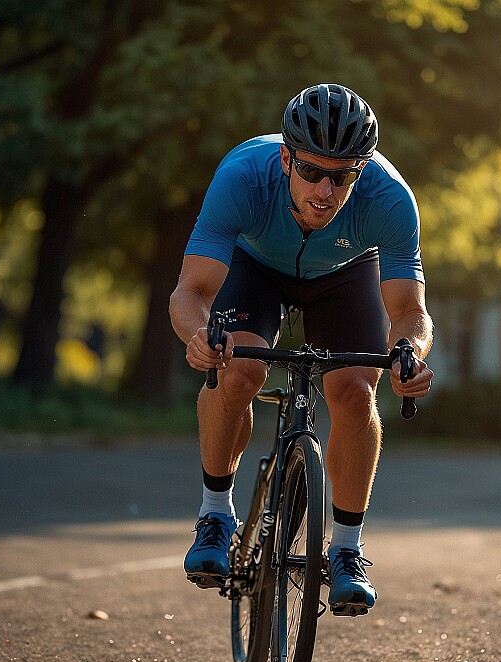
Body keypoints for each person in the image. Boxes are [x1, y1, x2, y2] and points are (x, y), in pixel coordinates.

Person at [169, 84, 433, 615]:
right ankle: (216, 512)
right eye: (312, 171)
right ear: (286, 158)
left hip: (344, 273)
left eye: (344, 175)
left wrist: (411, 352)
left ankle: (346, 550)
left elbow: (410, 311)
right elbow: (190, 293)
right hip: (254, 266)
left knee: (357, 393)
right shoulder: (242, 176)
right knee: (238, 371)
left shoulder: (390, 199)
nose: (326, 190)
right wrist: (200, 337)